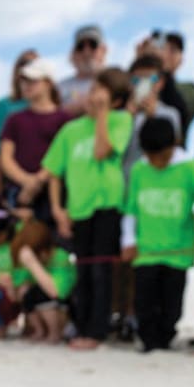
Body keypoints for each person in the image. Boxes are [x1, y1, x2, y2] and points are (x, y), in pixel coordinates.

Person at [43, 67, 133, 349]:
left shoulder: (121, 120)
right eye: (93, 90)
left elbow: (102, 151)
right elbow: (54, 171)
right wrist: (58, 209)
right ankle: (81, 326)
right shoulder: (71, 130)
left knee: (101, 270)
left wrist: (103, 114)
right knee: (82, 271)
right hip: (78, 209)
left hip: (107, 206)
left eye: (101, 92)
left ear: (115, 101)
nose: (93, 96)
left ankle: (97, 331)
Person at [121, 117, 194, 351]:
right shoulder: (140, 169)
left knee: (172, 303)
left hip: (178, 251)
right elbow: (131, 209)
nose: (156, 162)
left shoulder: (191, 168)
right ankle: (148, 341)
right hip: (146, 250)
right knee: (144, 301)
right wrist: (128, 239)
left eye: (161, 156)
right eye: (151, 156)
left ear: (175, 144)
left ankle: (165, 337)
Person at [0, 58, 70, 220]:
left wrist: (37, 182)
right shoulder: (14, 119)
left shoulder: (65, 120)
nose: (26, 85)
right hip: (19, 193)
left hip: (54, 195)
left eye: (33, 80)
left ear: (48, 83)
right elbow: (5, 158)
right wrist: (26, 181)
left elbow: (62, 158)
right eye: (24, 81)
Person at [0, 50, 37, 204]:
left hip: (45, 181)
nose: (29, 69)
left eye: (35, 65)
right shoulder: (5, 106)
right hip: (12, 183)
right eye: (24, 64)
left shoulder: (53, 108)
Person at [12, 220, 76, 342]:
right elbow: (19, 293)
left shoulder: (60, 257)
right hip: (41, 306)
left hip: (68, 309)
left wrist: (33, 264)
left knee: (44, 296)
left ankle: (55, 333)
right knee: (28, 294)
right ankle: (39, 330)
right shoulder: (26, 259)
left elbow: (56, 292)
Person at [123, 53, 183, 176]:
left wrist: (152, 120)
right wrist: (126, 119)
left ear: (160, 83)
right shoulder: (120, 114)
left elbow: (170, 154)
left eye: (151, 79)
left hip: (155, 181)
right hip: (125, 180)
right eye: (136, 80)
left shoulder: (170, 115)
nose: (143, 84)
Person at [60, 26, 108, 115]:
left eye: (93, 45)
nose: (86, 52)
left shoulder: (116, 81)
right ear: (73, 53)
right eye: (80, 47)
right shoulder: (60, 87)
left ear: (103, 50)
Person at [162, 33, 194, 143]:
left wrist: (165, 72)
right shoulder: (140, 81)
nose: (165, 54)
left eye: (172, 50)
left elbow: (182, 114)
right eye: (162, 48)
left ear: (181, 59)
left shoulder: (189, 89)